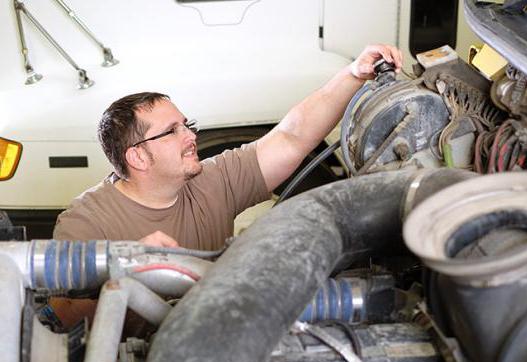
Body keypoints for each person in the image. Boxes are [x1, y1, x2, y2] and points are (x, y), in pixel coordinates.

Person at [53, 44, 403, 250]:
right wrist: (122, 270)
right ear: (138, 156)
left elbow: (291, 136)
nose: (191, 137)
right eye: (172, 132)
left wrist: (355, 74)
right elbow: (61, 318)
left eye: (186, 125)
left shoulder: (210, 181)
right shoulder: (86, 225)